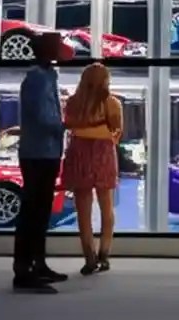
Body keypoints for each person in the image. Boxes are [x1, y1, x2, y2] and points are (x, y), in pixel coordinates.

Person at [12, 32, 70, 294]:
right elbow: (41, 115)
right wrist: (64, 125)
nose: (62, 50)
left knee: (42, 211)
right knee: (32, 212)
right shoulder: (36, 78)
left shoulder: (48, 76)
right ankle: (23, 271)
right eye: (57, 46)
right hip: (36, 153)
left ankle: (39, 263)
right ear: (46, 50)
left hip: (48, 151)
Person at [62, 62, 123, 275]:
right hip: (103, 152)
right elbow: (117, 130)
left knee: (83, 209)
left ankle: (89, 257)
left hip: (79, 151)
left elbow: (68, 124)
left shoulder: (73, 102)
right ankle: (104, 254)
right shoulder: (112, 103)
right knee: (107, 206)